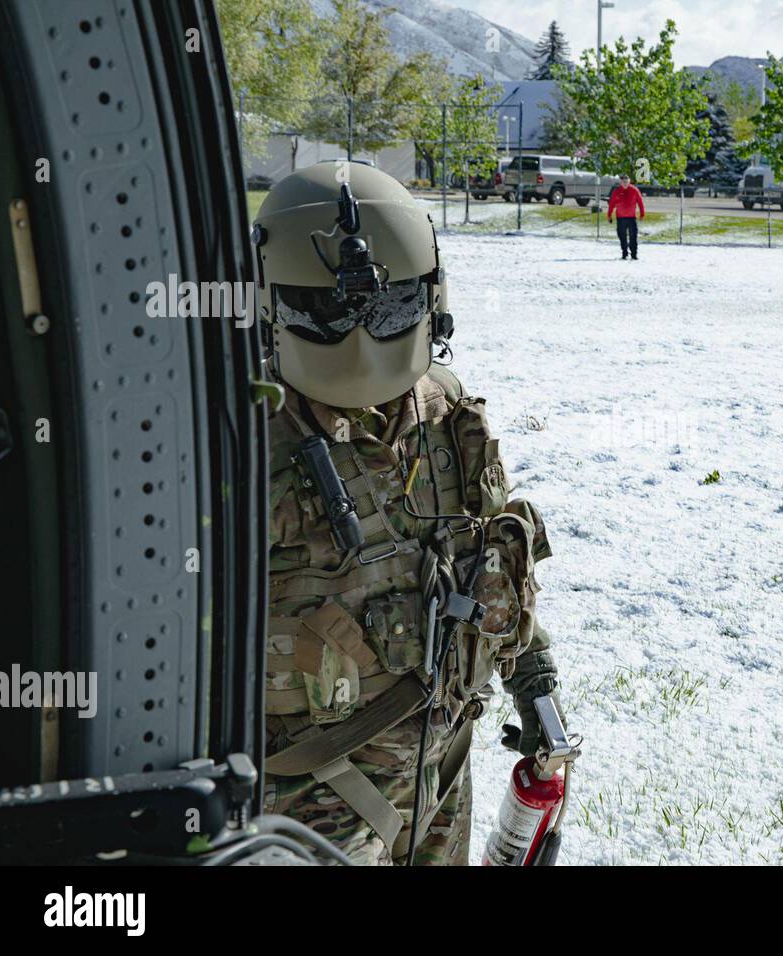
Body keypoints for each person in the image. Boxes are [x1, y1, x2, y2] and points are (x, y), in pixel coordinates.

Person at [252, 162, 564, 865]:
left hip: (441, 771)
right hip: (306, 808)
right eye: (320, 313)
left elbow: (494, 566)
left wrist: (536, 691)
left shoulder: (449, 418)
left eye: (390, 310)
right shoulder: (236, 444)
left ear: (431, 298)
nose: (359, 337)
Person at [606, 172, 646, 260]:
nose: (625, 183)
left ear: (629, 181)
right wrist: (609, 215)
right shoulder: (616, 191)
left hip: (631, 218)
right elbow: (611, 204)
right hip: (620, 218)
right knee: (622, 236)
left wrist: (642, 214)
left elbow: (640, 203)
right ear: (620, 182)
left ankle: (634, 254)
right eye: (623, 181)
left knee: (633, 236)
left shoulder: (634, 190)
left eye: (626, 181)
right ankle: (624, 252)